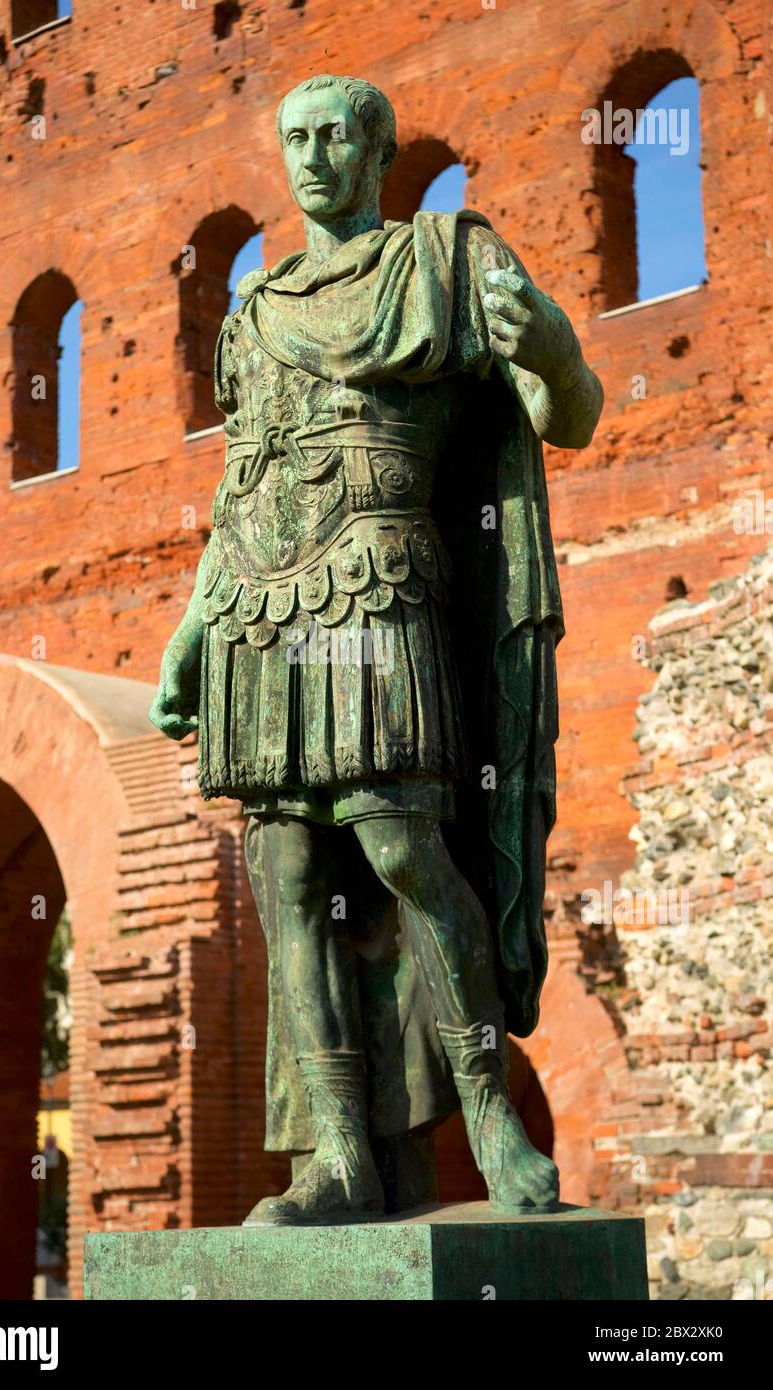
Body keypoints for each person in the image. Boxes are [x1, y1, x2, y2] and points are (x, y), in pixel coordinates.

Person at [151, 74, 603, 1224]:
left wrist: (551, 347)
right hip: (259, 602)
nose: (311, 157)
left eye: (334, 135)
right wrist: (192, 632)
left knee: (401, 846)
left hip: (380, 577)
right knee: (286, 876)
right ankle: (339, 1155)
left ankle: (488, 1116)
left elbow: (566, 413)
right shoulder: (250, 314)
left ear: (379, 147)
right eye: (292, 138)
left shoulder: (446, 260)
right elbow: (235, 485)